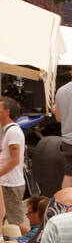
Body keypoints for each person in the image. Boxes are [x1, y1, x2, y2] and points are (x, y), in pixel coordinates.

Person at [0, 96, 29, 233]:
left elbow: (15, 160)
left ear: (7, 111)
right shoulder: (9, 131)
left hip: (11, 184)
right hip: (7, 183)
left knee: (17, 223)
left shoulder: (13, 132)